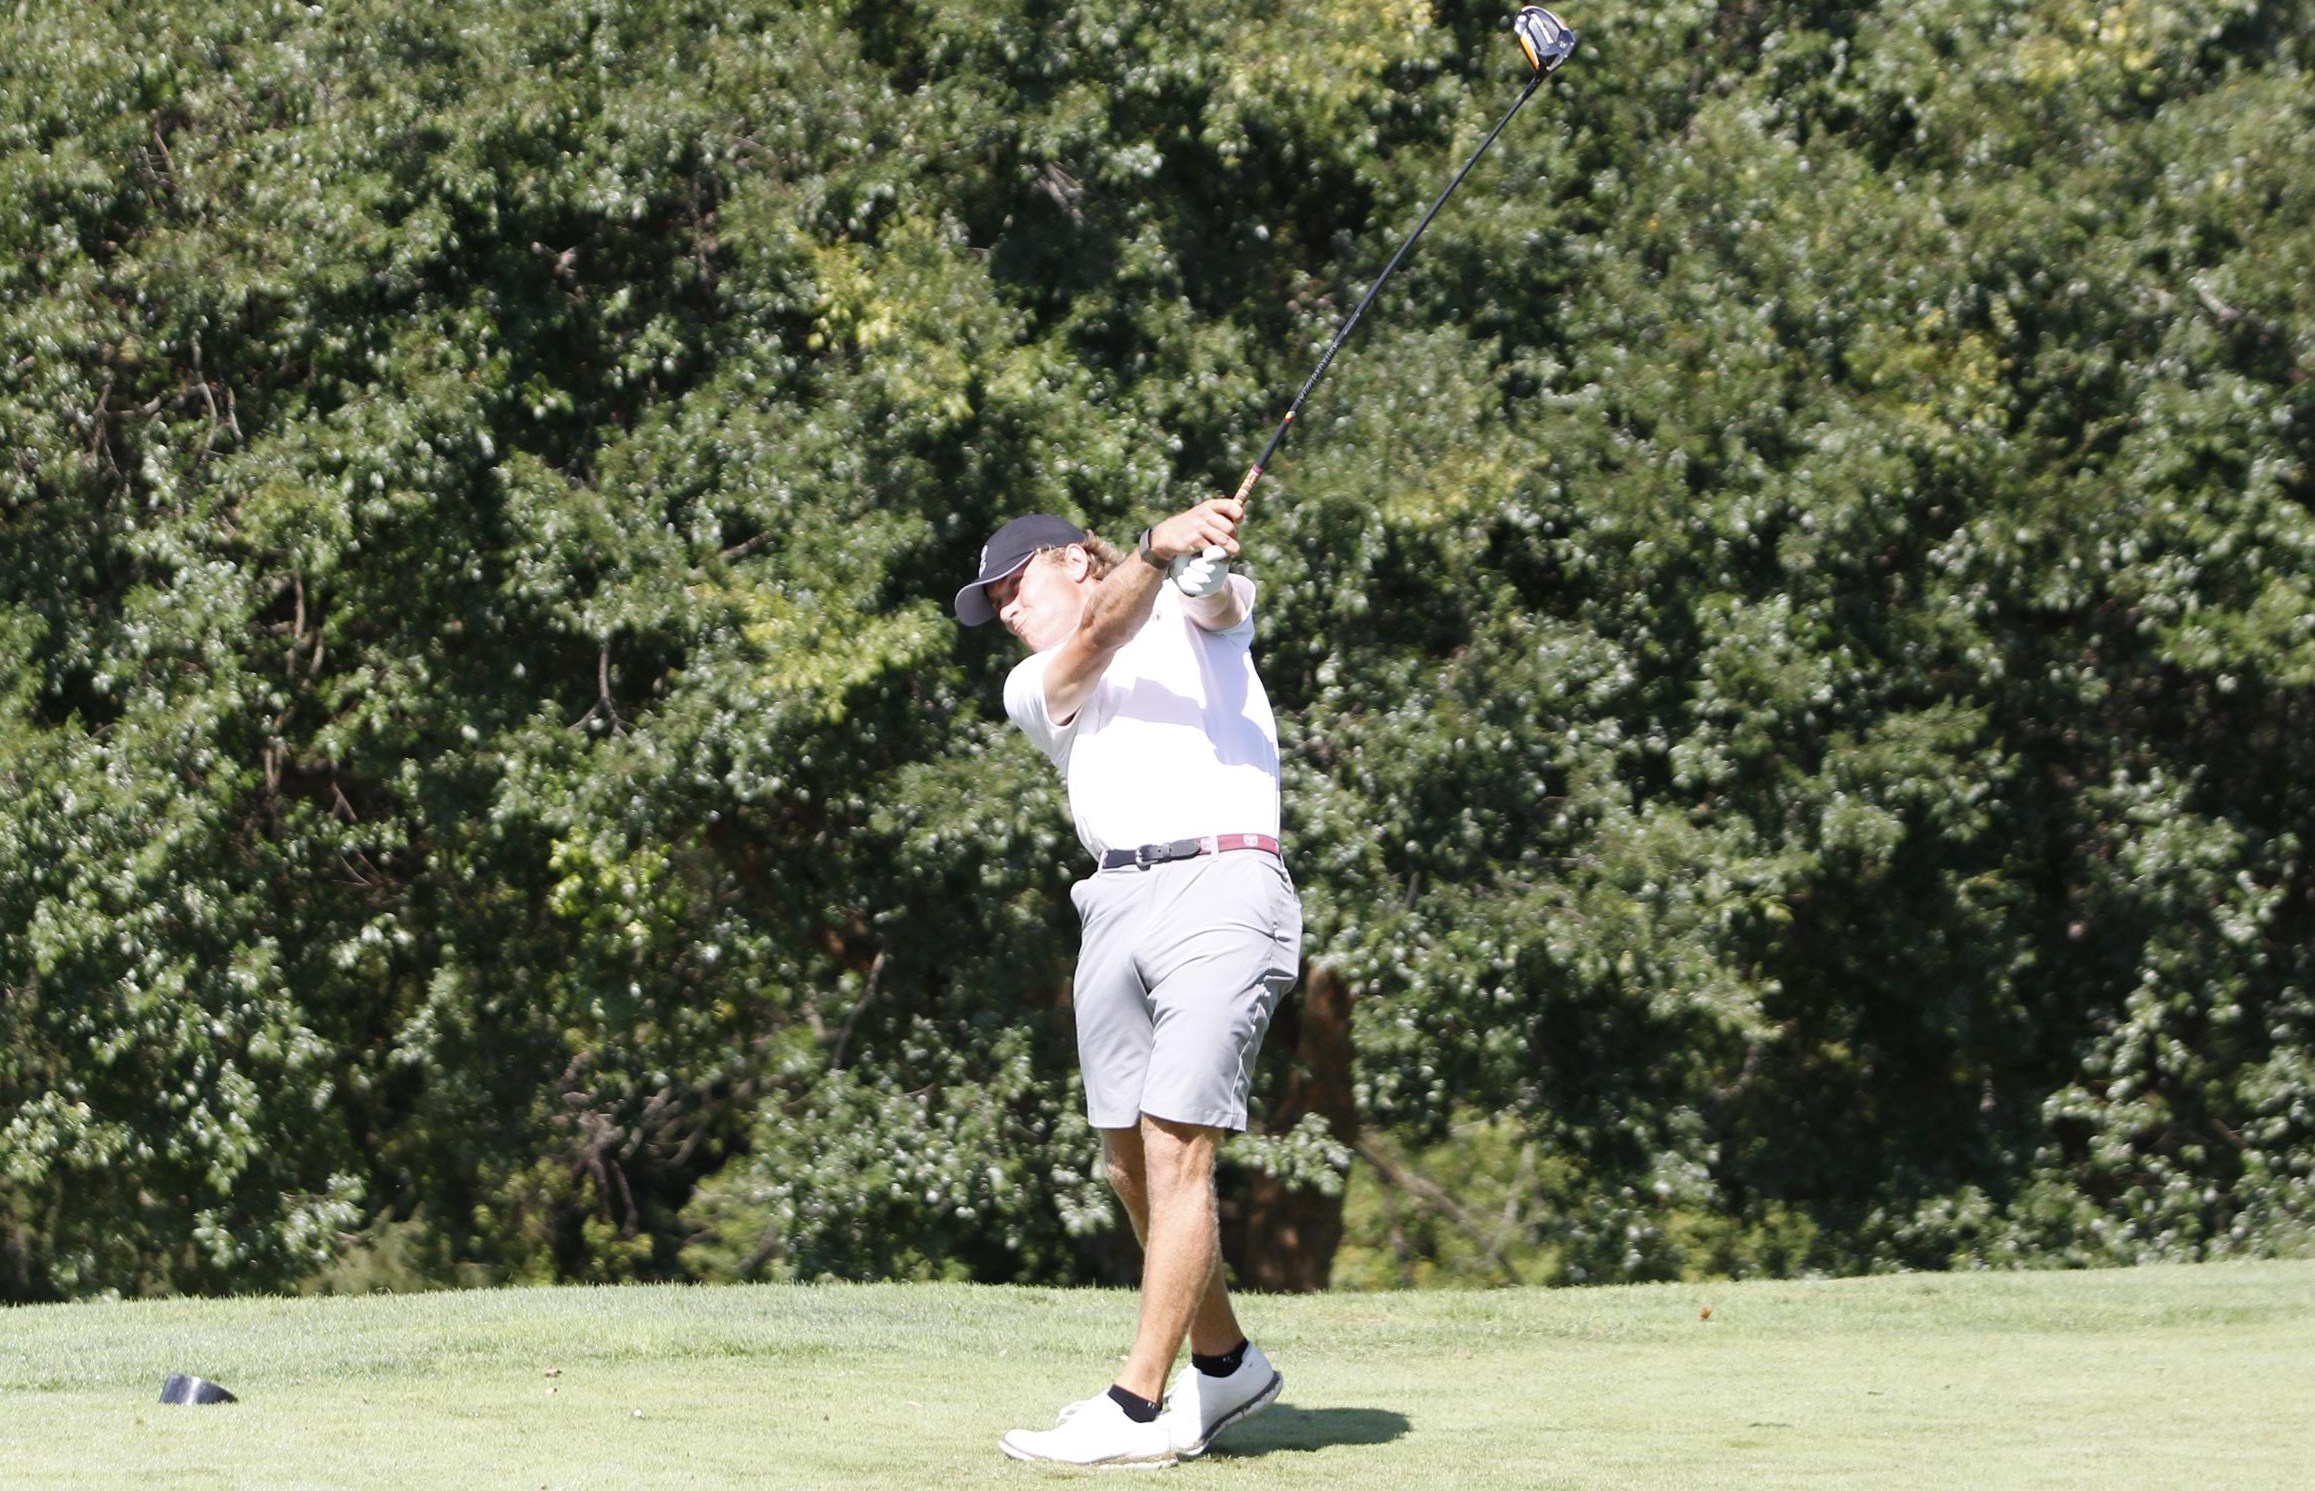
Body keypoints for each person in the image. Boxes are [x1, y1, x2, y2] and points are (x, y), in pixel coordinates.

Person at [952, 496, 1303, 1468]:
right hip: (1110, 901)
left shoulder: (1194, 612)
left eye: (1013, 589)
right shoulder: (1036, 684)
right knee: (1125, 1160)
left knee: (1173, 1145)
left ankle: (1137, 1405)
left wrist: (1197, 566)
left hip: (1222, 880)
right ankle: (1224, 1360)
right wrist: (1158, 546)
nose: (1009, 615)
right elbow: (1106, 625)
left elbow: (1219, 603)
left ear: (1073, 561)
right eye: (997, 606)